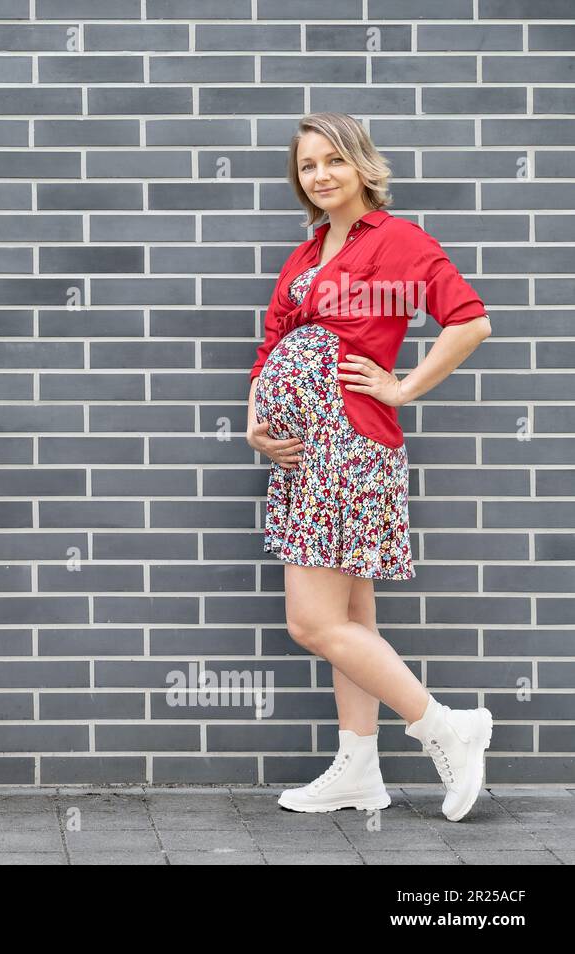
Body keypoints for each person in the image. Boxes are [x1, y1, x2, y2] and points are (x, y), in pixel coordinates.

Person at [246, 112, 494, 821]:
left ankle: (446, 727)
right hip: (301, 454)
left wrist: (404, 385)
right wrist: (257, 423)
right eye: (307, 166)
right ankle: (358, 766)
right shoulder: (304, 255)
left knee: (312, 622)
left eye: (333, 161)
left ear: (360, 165)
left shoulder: (397, 240)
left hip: (349, 447)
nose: (320, 175)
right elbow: (271, 348)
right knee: (351, 616)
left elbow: (470, 320)